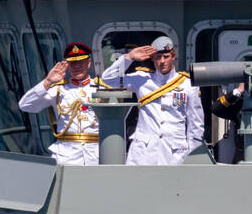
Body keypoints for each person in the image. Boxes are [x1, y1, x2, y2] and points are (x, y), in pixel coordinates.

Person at [102, 36, 207, 165]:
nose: (162, 61)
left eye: (166, 56)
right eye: (157, 57)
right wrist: (129, 57)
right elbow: (108, 79)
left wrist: (193, 156)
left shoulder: (188, 84)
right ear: (152, 59)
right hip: (144, 153)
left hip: (174, 153)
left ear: (173, 57)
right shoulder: (141, 79)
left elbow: (195, 125)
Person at [17, 40, 108, 165]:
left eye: (80, 62)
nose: (77, 66)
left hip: (97, 155)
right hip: (67, 156)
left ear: (88, 63)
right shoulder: (58, 90)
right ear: (67, 65)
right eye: (73, 63)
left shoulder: (102, 89)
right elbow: (25, 105)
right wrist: (48, 82)